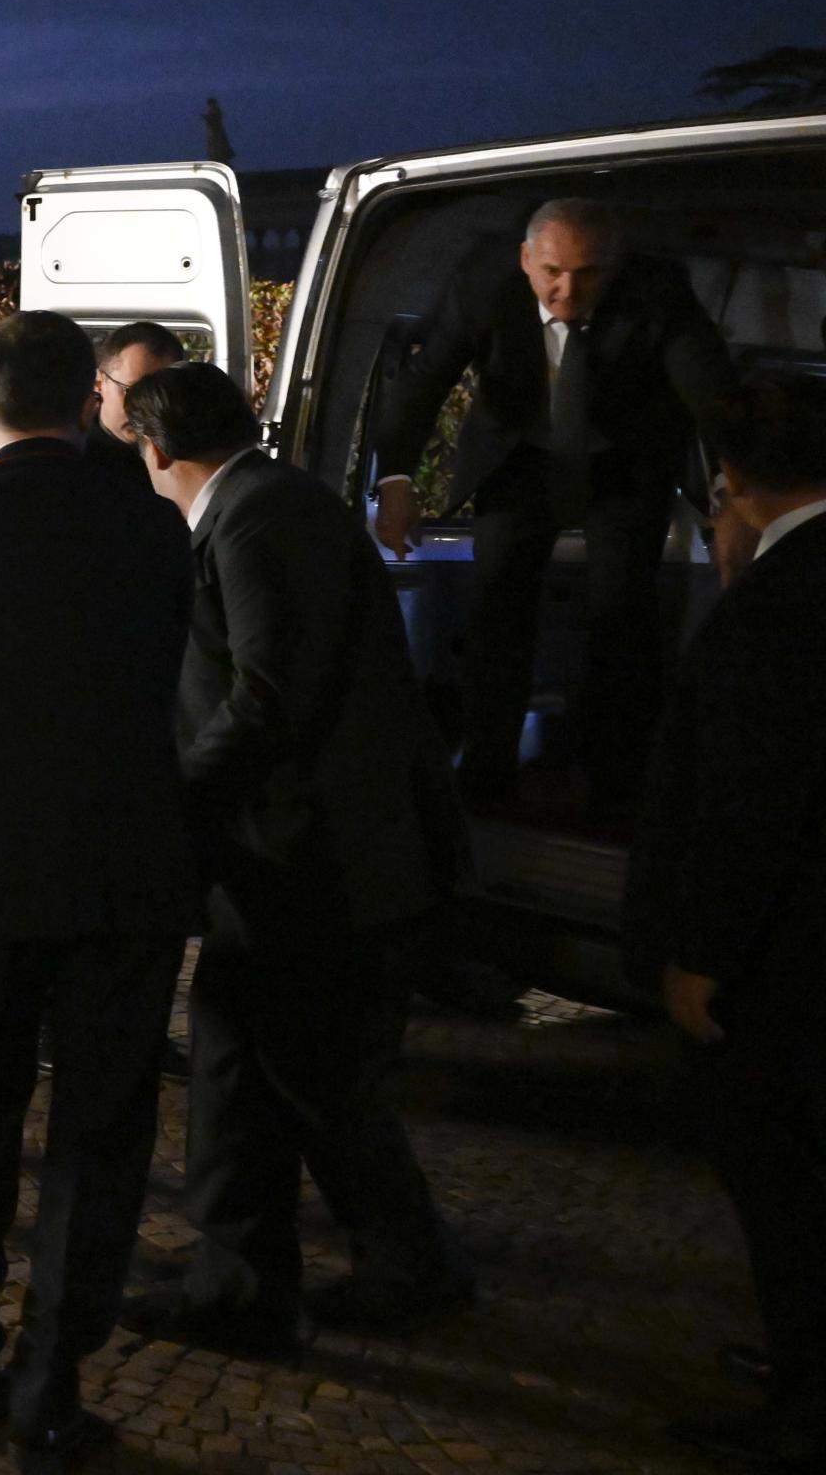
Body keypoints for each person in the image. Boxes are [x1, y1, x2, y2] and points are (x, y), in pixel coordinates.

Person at [0, 311, 199, 1466]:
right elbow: (181, 690)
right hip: (126, 860)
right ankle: (50, 1372)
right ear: (84, 405)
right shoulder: (156, 529)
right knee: (102, 1126)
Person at [118, 363, 472, 1357]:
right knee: (270, 1064)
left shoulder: (252, 518)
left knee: (289, 1068)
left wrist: (178, 792)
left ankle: (348, 1272)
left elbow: (267, 693)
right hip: (314, 852)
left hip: (309, 858)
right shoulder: (282, 502)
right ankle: (266, 1273)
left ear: (157, 450)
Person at [372, 197, 735, 815]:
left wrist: (734, 492)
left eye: (589, 273)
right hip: (519, 457)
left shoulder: (657, 289)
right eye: (551, 272)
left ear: (615, 266)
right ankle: (485, 776)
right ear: (524, 259)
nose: (567, 290)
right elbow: (423, 381)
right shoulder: (482, 283)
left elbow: (711, 392)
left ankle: (617, 782)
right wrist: (397, 481)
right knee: (495, 613)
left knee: (622, 616)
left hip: (625, 457)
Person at [625, 371, 826, 1475]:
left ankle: (804, 1400)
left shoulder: (773, 605)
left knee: (785, 1187)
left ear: (731, 481)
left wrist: (699, 954)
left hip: (781, 962)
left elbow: (748, 801)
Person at [87, 320, 189, 496]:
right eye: (133, 391)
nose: (146, 407)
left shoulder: (192, 458)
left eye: (163, 394)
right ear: (99, 383)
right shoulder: (74, 459)